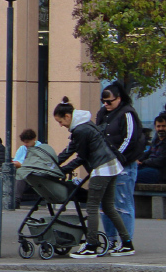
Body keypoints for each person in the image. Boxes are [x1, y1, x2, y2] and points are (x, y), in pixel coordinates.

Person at [53, 97, 133, 257]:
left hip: (101, 168)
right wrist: (55, 163)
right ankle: (127, 243)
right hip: (112, 165)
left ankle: (91, 245)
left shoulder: (80, 130)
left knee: (92, 206)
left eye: (60, 121)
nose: (61, 125)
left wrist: (60, 169)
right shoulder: (84, 124)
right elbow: (71, 149)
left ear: (68, 116)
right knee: (109, 207)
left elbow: (80, 156)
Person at [96, 81, 143, 248]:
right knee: (105, 204)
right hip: (106, 165)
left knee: (123, 203)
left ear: (119, 99)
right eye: (104, 101)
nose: (106, 104)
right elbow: (98, 135)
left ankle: (126, 241)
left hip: (124, 165)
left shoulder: (127, 113)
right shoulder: (102, 113)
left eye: (110, 101)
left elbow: (130, 138)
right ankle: (110, 239)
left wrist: (116, 157)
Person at [12, 128, 59, 203]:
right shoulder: (22, 148)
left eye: (27, 142)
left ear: (34, 139)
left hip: (32, 171)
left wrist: (21, 165)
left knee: (21, 172)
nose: (25, 144)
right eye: (24, 142)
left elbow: (38, 165)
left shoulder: (41, 149)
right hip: (21, 169)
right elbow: (16, 160)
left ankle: (16, 200)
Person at [138, 115, 166, 185]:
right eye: (158, 126)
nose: (161, 128)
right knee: (127, 172)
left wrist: (144, 162)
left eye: (163, 126)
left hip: (161, 173)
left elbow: (160, 161)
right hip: (149, 168)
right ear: (155, 127)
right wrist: (138, 160)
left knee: (131, 176)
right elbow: (148, 153)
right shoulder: (156, 140)